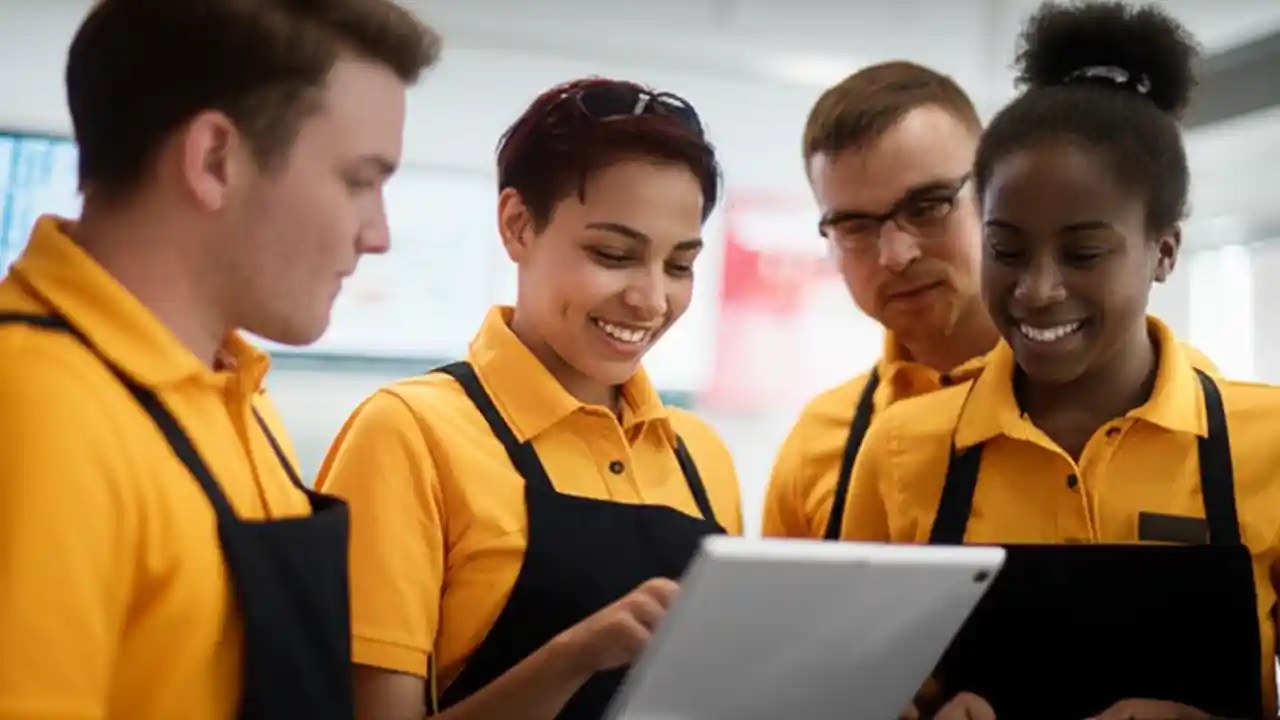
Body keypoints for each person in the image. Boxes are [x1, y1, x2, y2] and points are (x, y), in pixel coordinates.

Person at [841, 3, 1280, 719]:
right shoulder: (898, 452)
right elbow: (850, 694)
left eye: (1083, 253)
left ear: (1164, 250)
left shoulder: (1271, 443)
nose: (1037, 290)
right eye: (1006, 250)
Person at [0, 2, 438, 719]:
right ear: (214, 160)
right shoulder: (35, 409)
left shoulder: (231, 387)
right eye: (360, 181)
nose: (378, 234)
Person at [315, 78, 742, 720]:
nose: (651, 300)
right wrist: (573, 657)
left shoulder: (700, 456)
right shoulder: (410, 434)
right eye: (613, 254)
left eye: (679, 266)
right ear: (518, 225)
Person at [761, 61, 1000, 541]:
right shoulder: (816, 445)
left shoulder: (1098, 411)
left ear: (995, 192)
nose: (895, 254)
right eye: (855, 225)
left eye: (928, 207)